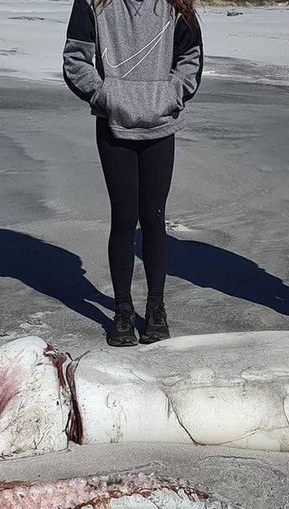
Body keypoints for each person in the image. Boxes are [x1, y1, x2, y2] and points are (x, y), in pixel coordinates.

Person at [63, 0, 203, 346]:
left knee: (154, 218)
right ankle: (123, 312)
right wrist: (106, 96)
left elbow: (191, 58)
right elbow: (75, 59)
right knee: (124, 218)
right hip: (114, 125)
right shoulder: (94, 4)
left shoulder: (175, 5)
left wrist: (170, 95)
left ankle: (156, 309)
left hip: (161, 125)